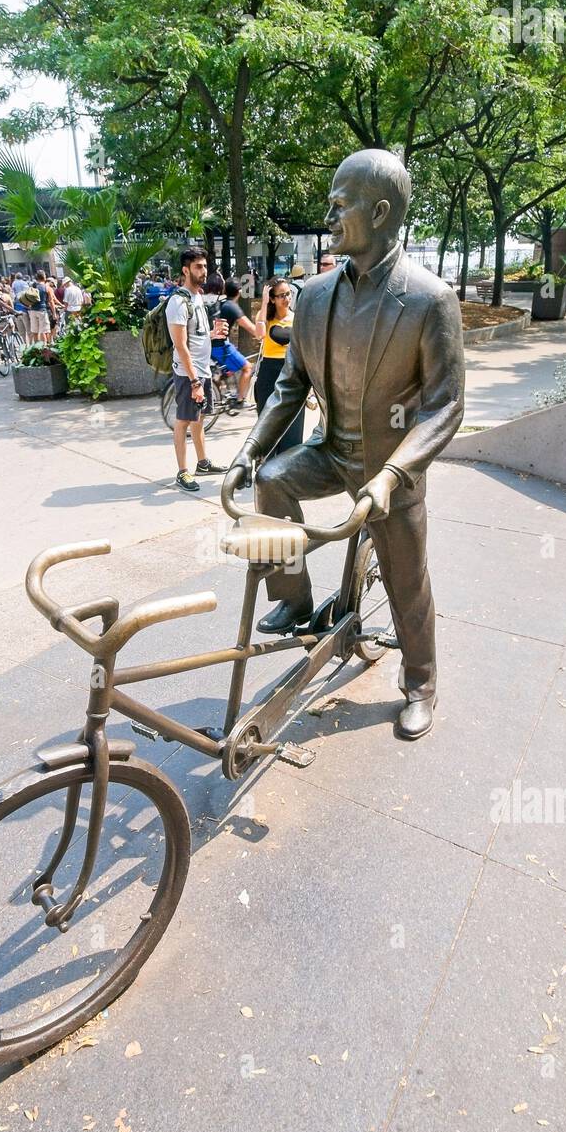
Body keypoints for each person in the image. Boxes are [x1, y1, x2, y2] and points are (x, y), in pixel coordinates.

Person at [229, 148, 465, 741]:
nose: (329, 216)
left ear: (380, 211)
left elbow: (446, 406)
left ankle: (420, 684)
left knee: (407, 580)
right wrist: (248, 452)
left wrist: (391, 477)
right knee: (274, 480)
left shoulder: (429, 299)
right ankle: (296, 595)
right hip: (333, 451)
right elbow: (290, 386)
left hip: (390, 472)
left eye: (340, 205)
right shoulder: (314, 296)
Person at [165, 246, 228, 493]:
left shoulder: (197, 297)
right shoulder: (177, 302)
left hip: (202, 370)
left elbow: (196, 336)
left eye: (204, 266)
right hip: (188, 374)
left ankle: (202, 463)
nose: (204, 271)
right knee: (183, 421)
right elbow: (180, 346)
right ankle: (182, 471)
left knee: (199, 419)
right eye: (198, 267)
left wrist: (212, 334)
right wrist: (194, 382)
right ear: (185, 270)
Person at [252, 278, 304, 455]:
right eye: (281, 295)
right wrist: (264, 303)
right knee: (267, 424)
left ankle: (288, 472)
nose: (286, 298)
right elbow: (259, 334)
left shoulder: (297, 318)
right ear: (273, 299)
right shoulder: (265, 317)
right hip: (269, 372)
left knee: (292, 425)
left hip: (291, 372)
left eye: (288, 294)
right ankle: (266, 471)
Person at [214, 279, 257, 406]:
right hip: (220, 347)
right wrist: (262, 335)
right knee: (248, 368)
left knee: (230, 366)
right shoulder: (232, 306)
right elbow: (250, 327)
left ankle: (220, 382)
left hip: (212, 345)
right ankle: (240, 400)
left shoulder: (222, 303)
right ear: (239, 292)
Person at [11, 270, 32, 340]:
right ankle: (31, 344)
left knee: (21, 331)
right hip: (24, 309)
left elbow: (12, 296)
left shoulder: (13, 283)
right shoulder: (25, 283)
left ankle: (24, 343)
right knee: (28, 329)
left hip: (16, 310)